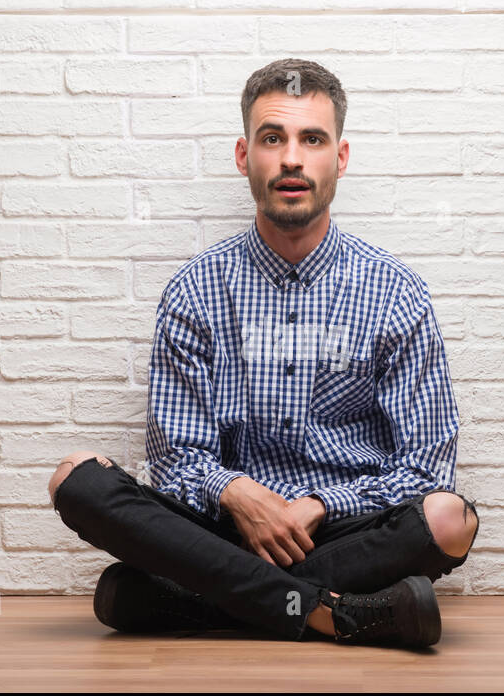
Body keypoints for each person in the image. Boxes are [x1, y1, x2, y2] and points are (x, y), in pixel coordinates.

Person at [49, 58, 479, 648]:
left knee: (450, 520)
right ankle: (338, 613)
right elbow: (176, 462)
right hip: (222, 532)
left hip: (340, 532)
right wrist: (237, 494)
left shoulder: (395, 294)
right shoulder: (195, 293)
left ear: (341, 157)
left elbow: (426, 467)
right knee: (75, 479)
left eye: (312, 139)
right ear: (243, 155)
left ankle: (192, 601)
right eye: (272, 138)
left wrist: (318, 505)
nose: (292, 158)